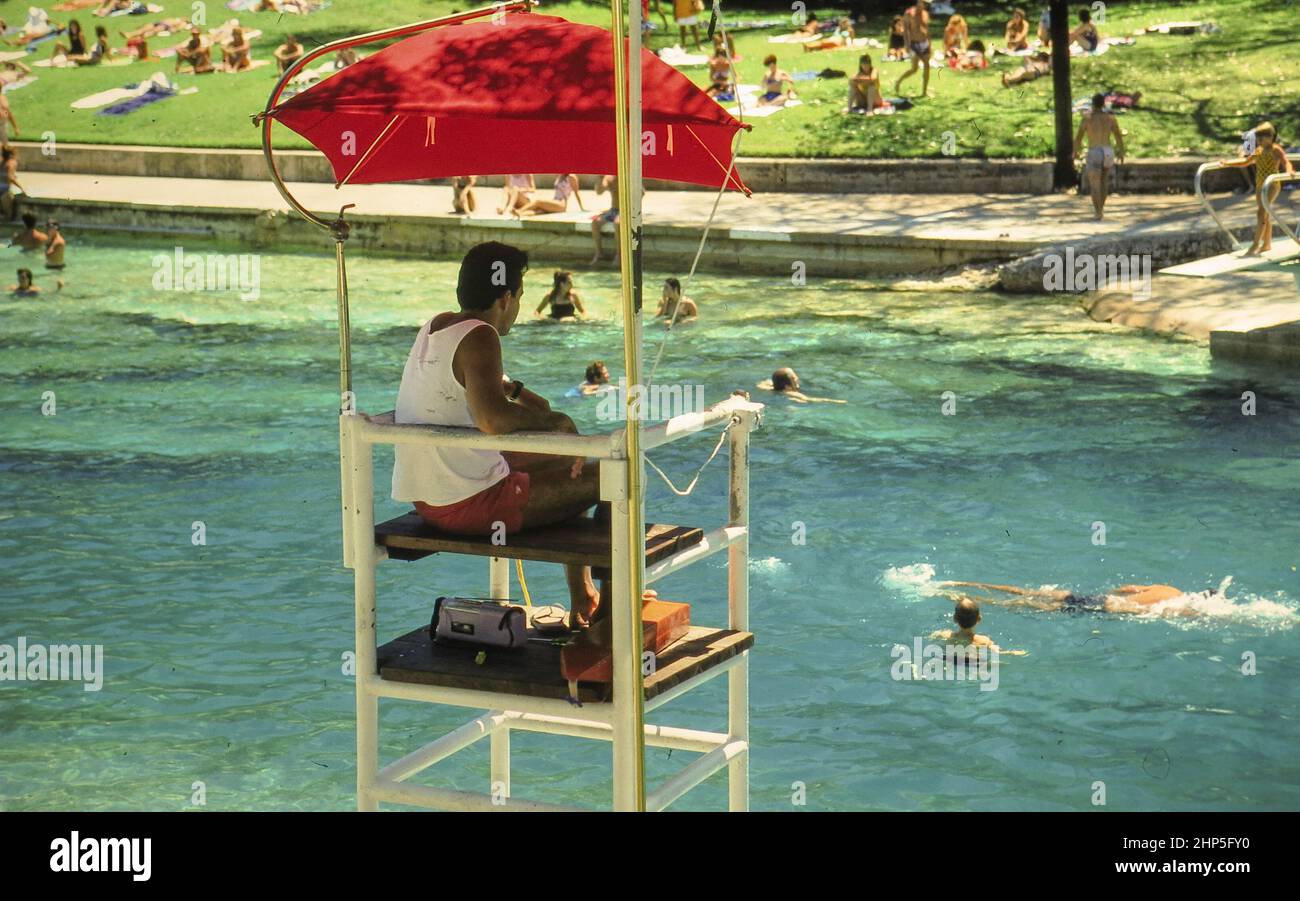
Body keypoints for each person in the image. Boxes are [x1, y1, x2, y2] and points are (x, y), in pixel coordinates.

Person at [391, 242, 606, 625]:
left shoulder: (437, 326)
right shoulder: (482, 335)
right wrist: (556, 423)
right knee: (613, 476)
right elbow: (493, 420)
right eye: (520, 296)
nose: (519, 308)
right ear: (505, 297)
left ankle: (584, 597)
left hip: (430, 497)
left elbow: (486, 386)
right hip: (469, 503)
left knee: (567, 461)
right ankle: (613, 604)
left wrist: (527, 397)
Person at [938, 580, 1210, 619]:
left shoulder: (1170, 589)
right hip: (1100, 607)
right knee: (1032, 605)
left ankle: (964, 584)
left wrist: (1111, 594)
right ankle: (968, 599)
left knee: (1025, 592)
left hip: (1098, 597)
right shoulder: (1177, 607)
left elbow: (1129, 587)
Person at [1220, 122, 1295, 256]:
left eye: (1263, 137)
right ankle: (1266, 244)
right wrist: (1227, 163)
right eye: (1258, 137)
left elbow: (1285, 161)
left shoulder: (1275, 149)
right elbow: (1245, 162)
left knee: (1261, 213)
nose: (1260, 140)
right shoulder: (1258, 150)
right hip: (1260, 184)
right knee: (1265, 214)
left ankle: (1255, 244)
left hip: (1272, 184)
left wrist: (1290, 171)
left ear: (1271, 136)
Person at [1073, 92, 1125, 220]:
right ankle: (1101, 209)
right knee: (1104, 182)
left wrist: (1075, 151)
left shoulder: (1087, 117)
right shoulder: (1110, 117)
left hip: (1094, 150)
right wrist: (1121, 150)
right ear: (1103, 104)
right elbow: (1118, 135)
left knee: (1094, 183)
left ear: (1092, 103)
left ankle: (1098, 212)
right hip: (1107, 150)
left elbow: (1079, 136)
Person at [930, 599, 1026, 655]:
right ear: (979, 619)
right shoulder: (983, 641)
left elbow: (932, 637)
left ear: (955, 618)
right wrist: (1014, 652)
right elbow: (998, 652)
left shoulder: (945, 635)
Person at [893, 0, 932, 99]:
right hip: (914, 44)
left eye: (926, 4)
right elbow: (906, 30)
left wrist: (930, 44)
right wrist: (907, 45)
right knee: (914, 69)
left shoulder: (925, 14)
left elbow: (927, 30)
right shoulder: (909, 13)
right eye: (924, 3)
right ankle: (898, 81)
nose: (925, 5)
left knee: (927, 66)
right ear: (919, 2)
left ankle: (924, 91)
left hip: (924, 43)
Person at [758, 367, 846, 404]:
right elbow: (809, 399)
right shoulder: (791, 393)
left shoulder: (769, 387)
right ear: (787, 386)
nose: (797, 380)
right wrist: (835, 401)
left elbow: (761, 384)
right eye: (795, 379)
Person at [516, 173, 584, 216]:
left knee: (538, 202)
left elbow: (576, 193)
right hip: (555, 201)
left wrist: (582, 208)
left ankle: (520, 211)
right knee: (538, 211)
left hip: (561, 204)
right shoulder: (560, 175)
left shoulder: (571, 177)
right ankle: (521, 214)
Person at [590, 174, 618, 264]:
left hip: (626, 210)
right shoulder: (608, 177)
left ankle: (619, 254)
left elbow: (642, 192)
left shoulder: (629, 175)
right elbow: (599, 191)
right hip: (613, 210)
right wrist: (601, 177)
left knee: (617, 223)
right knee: (595, 222)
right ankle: (599, 253)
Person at [0, 147, 25, 221]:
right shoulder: (12, 163)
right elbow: (10, 177)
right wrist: (22, 188)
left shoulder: (1, 163)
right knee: (9, 217)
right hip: (4, 193)